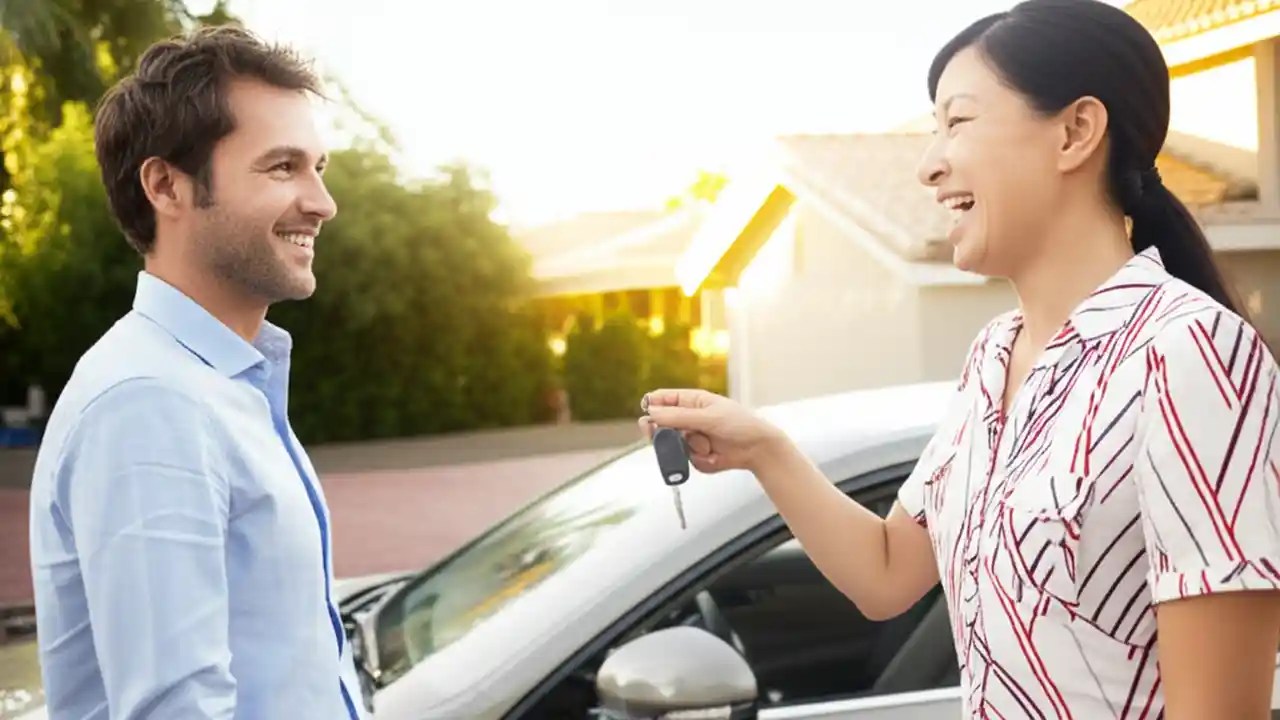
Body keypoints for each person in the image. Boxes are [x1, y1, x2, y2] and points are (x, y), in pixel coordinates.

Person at [640, 1, 1280, 717]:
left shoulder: (1192, 354)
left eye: (958, 122)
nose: (927, 165)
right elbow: (886, 571)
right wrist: (766, 449)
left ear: (1075, 132)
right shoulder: (993, 358)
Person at [27, 26, 363, 719]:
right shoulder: (150, 402)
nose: (322, 203)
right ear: (166, 186)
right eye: (282, 168)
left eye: (319, 167)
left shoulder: (218, 383)